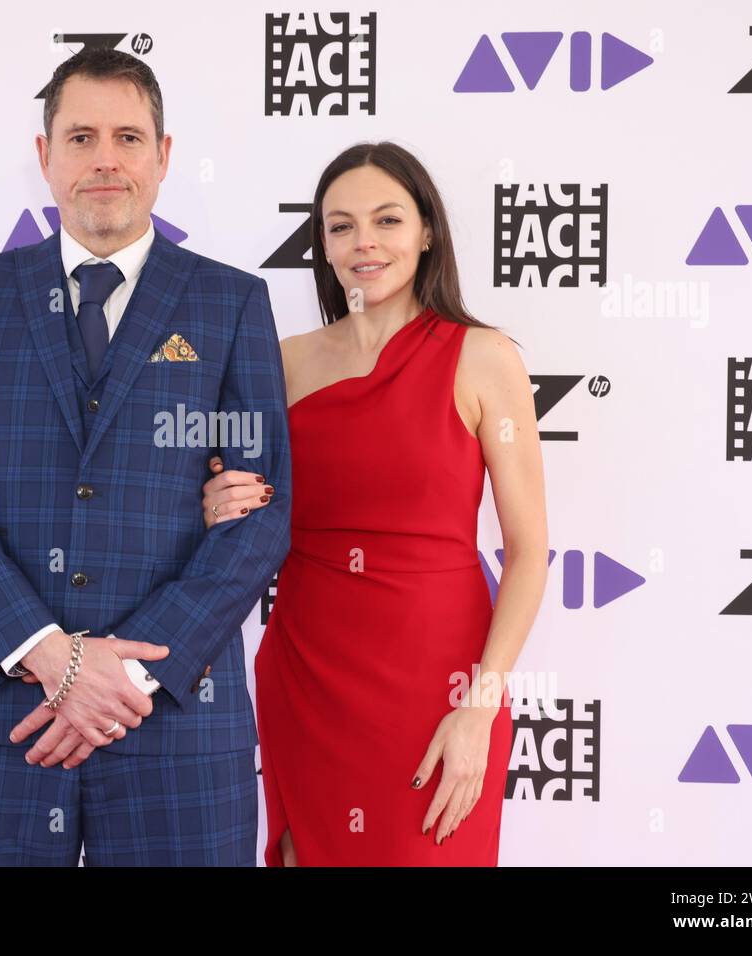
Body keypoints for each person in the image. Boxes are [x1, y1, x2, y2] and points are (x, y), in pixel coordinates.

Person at [0, 47, 291, 866]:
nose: (105, 159)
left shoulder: (231, 303)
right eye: (80, 137)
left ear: (164, 156)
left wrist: (126, 678)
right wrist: (51, 656)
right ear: (44, 157)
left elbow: (258, 517)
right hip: (0, 714)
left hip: (176, 720)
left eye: (127, 136)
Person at [202, 142, 548, 866]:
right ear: (321, 245)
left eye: (387, 220)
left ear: (426, 231)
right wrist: (221, 500)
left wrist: (477, 711)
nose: (365, 243)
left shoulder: (484, 357)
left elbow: (526, 554)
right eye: (340, 226)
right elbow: (250, 506)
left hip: (438, 685)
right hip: (307, 675)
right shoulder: (285, 360)